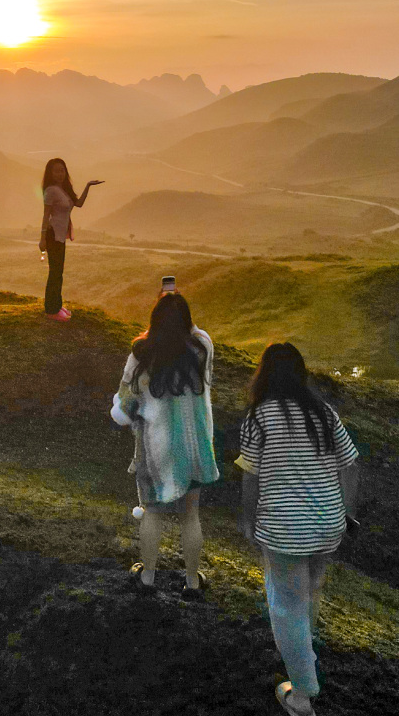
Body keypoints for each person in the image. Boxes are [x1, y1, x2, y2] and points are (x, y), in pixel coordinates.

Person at [236, 342, 359, 715]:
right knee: (309, 595)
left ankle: (302, 695)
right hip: (327, 525)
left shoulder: (259, 418)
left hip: (284, 530)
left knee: (286, 607)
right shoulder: (324, 413)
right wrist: (348, 511)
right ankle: (306, 656)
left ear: (265, 375)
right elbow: (351, 465)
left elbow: (250, 481)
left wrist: (247, 517)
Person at [110, 289, 219, 597]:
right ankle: (192, 583)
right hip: (194, 446)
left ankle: (148, 578)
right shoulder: (202, 348)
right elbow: (195, 332)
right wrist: (178, 312)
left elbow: (123, 408)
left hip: (155, 449)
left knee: (153, 512)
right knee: (190, 515)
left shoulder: (141, 356)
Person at [38, 158, 103, 321]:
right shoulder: (51, 191)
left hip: (60, 236)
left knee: (59, 272)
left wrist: (88, 186)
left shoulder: (64, 189)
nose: (60, 174)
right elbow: (46, 216)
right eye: (56, 171)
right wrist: (42, 239)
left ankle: (56, 305)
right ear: (50, 173)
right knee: (55, 272)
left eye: (62, 170)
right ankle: (51, 310)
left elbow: (79, 203)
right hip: (53, 235)